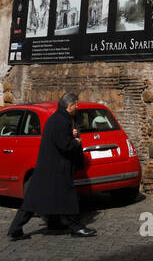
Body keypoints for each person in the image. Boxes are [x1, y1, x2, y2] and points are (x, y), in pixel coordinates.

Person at [8, 93, 97, 240]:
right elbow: (65, 145)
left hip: (49, 168)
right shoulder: (60, 121)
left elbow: (60, 138)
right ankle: (77, 228)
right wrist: (76, 141)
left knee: (36, 200)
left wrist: (71, 133)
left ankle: (27, 227)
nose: (77, 106)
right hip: (56, 169)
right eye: (76, 104)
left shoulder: (59, 119)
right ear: (69, 106)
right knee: (67, 198)